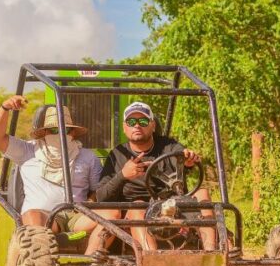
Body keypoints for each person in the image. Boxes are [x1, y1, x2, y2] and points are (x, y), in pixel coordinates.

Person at [92, 101, 216, 253]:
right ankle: (152, 261)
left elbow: (183, 157)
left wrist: (189, 160)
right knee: (137, 206)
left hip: (171, 205)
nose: (137, 125)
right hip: (136, 212)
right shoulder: (117, 155)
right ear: (125, 128)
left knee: (202, 193)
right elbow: (101, 198)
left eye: (143, 121)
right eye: (131, 122)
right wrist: (122, 175)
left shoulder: (168, 146)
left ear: (152, 126)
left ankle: (212, 253)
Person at [0, 95, 116, 238]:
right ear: (44, 133)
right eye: (55, 131)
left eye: (65, 130)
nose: (60, 135)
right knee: (32, 216)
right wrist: (5, 108)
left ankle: (92, 257)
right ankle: (40, 257)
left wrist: (89, 203)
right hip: (43, 216)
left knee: (112, 214)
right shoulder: (27, 150)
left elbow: (97, 191)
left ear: (72, 133)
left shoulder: (87, 157)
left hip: (78, 215)